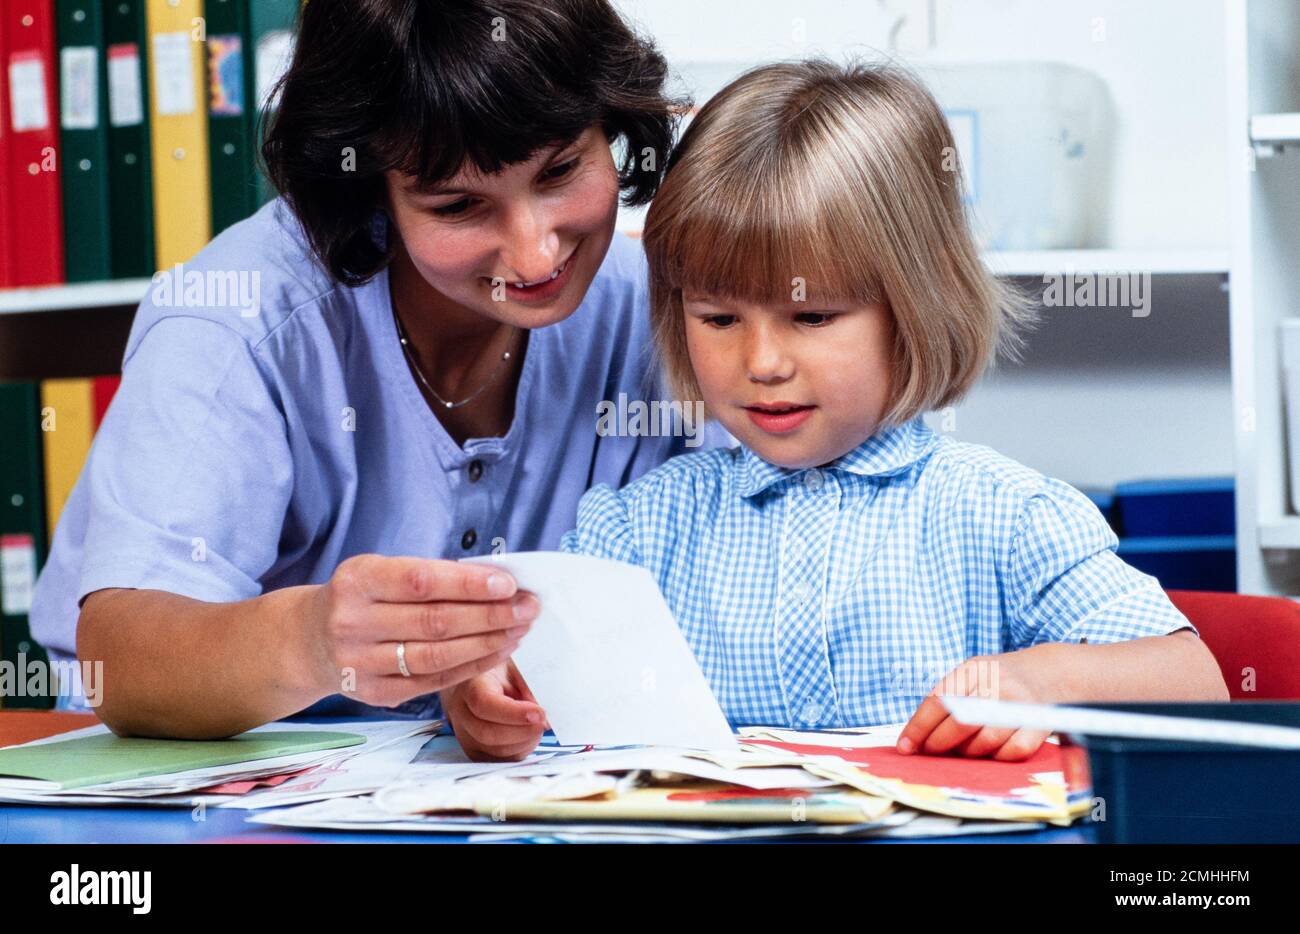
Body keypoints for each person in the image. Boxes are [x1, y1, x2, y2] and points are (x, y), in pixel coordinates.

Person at [443, 60, 1229, 762]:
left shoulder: (1006, 515)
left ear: (916, 308)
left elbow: (1196, 682)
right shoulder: (635, 532)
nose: (762, 362)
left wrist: (1044, 679)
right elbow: (519, 680)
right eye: (718, 319)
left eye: (812, 317)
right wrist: (482, 693)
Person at [28, 0, 719, 738]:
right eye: (458, 206)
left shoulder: (657, 310)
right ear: (370, 193)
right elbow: (121, 660)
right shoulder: (238, 321)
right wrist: (312, 640)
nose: (536, 254)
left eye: (561, 171)